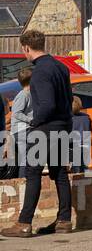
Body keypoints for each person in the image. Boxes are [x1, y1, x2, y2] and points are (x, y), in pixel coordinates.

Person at [2, 30, 75, 238]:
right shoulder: (61, 67)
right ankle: (64, 220)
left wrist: (35, 122)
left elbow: (47, 105)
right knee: (60, 174)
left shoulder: (40, 72)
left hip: (46, 128)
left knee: (32, 173)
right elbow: (69, 99)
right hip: (63, 125)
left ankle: (24, 223)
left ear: (26, 48)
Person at [69, 95, 92, 176]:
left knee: (76, 166)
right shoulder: (87, 117)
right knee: (84, 165)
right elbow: (90, 130)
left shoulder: (68, 118)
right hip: (86, 143)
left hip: (73, 145)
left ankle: (77, 178)